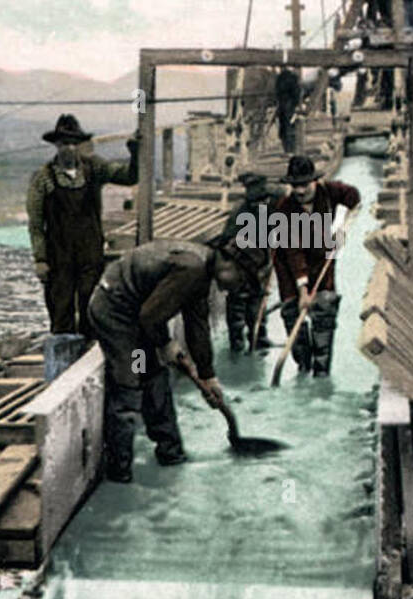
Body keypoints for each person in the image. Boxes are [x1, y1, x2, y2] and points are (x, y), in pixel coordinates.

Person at [87, 236, 269, 481]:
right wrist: (166, 343)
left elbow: (198, 327)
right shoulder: (192, 269)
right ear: (230, 264)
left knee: (152, 375)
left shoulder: (202, 272)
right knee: (129, 382)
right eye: (242, 280)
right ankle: (119, 471)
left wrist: (208, 375)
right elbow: (150, 317)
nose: (239, 288)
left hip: (137, 318)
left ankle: (171, 453)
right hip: (116, 313)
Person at [27, 114, 139, 336]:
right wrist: (40, 259)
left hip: (90, 252)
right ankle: (63, 360)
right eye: (64, 144)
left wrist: (135, 151)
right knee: (61, 310)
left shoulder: (94, 168)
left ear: (79, 145)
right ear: (56, 145)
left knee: (91, 305)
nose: (69, 148)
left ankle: (89, 354)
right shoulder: (43, 178)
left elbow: (129, 176)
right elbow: (36, 223)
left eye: (73, 143)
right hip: (59, 257)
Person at [271, 155, 360, 377]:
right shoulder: (285, 209)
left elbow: (353, 197)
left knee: (325, 310)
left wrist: (344, 225)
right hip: (288, 265)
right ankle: (303, 365)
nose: (300, 191)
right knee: (294, 315)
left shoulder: (329, 192)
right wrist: (302, 291)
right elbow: (294, 253)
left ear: (315, 182)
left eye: (304, 185)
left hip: (322, 259)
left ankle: (321, 373)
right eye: (295, 186)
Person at [223, 172, 285, 354]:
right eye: (259, 200)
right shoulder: (240, 213)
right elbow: (228, 241)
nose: (262, 203)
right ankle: (236, 342)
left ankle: (258, 337)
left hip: (261, 260)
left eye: (264, 199)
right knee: (238, 300)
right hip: (239, 261)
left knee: (258, 298)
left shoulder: (271, 203)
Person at [274, 65, 301, 153]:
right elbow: (297, 92)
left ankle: (287, 148)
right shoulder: (293, 77)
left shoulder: (280, 78)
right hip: (289, 105)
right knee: (289, 126)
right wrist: (296, 103)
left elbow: (277, 92)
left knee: (284, 127)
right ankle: (290, 148)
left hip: (283, 105)